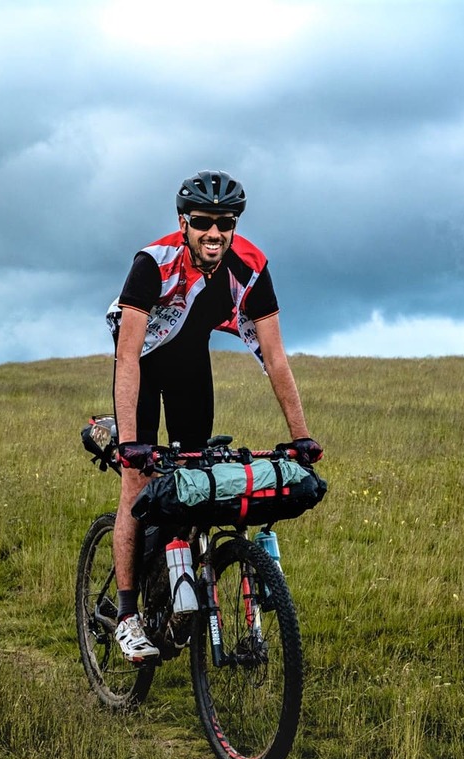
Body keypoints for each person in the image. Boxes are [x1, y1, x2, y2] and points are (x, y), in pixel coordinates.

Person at [106, 170, 322, 661]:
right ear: (184, 222)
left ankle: (175, 582)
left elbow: (276, 358)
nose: (214, 233)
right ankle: (125, 616)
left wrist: (302, 437)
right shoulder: (152, 263)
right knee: (136, 482)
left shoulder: (250, 266)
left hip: (189, 364)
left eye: (225, 223)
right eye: (203, 221)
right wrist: (132, 442)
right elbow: (127, 355)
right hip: (141, 363)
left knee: (196, 477)